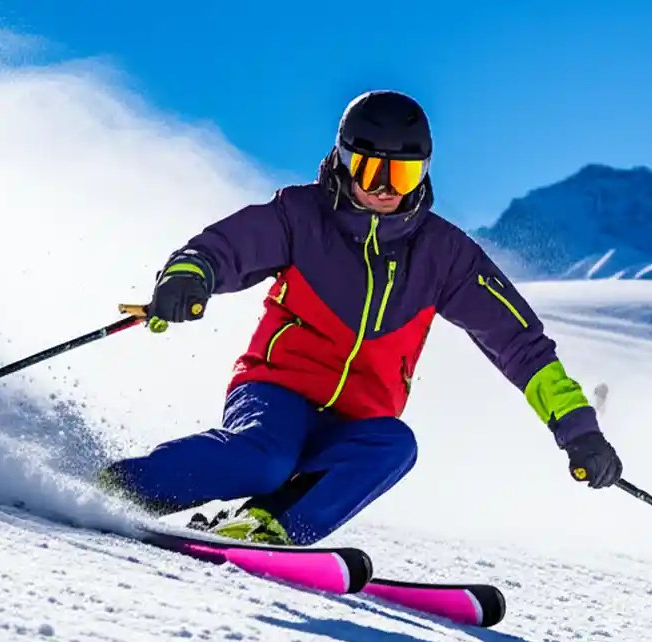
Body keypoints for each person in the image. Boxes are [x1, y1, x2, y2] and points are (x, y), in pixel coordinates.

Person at [98, 91, 622, 545]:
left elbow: (521, 344)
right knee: (264, 460)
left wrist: (579, 431)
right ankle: (115, 488)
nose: (387, 187)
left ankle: (267, 527)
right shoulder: (301, 216)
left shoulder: (445, 255)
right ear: (346, 161)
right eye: (373, 169)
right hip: (277, 391)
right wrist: (189, 277)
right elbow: (224, 247)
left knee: (395, 446)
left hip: (357, 421)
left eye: (405, 172)